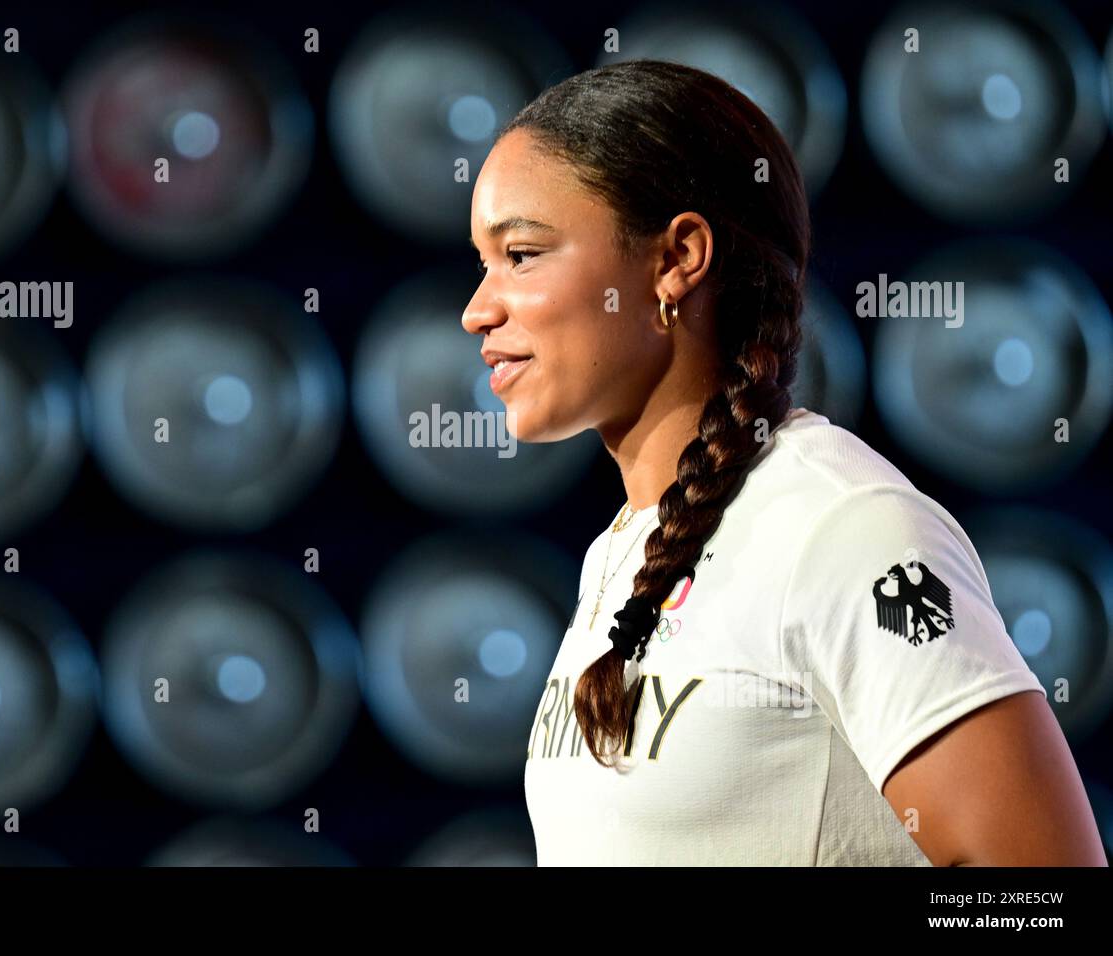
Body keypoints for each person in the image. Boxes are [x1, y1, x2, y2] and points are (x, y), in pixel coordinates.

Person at [462, 59, 1107, 866]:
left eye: (521, 254)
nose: (477, 310)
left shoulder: (844, 526)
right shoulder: (619, 551)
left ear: (676, 259)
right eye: (483, 263)